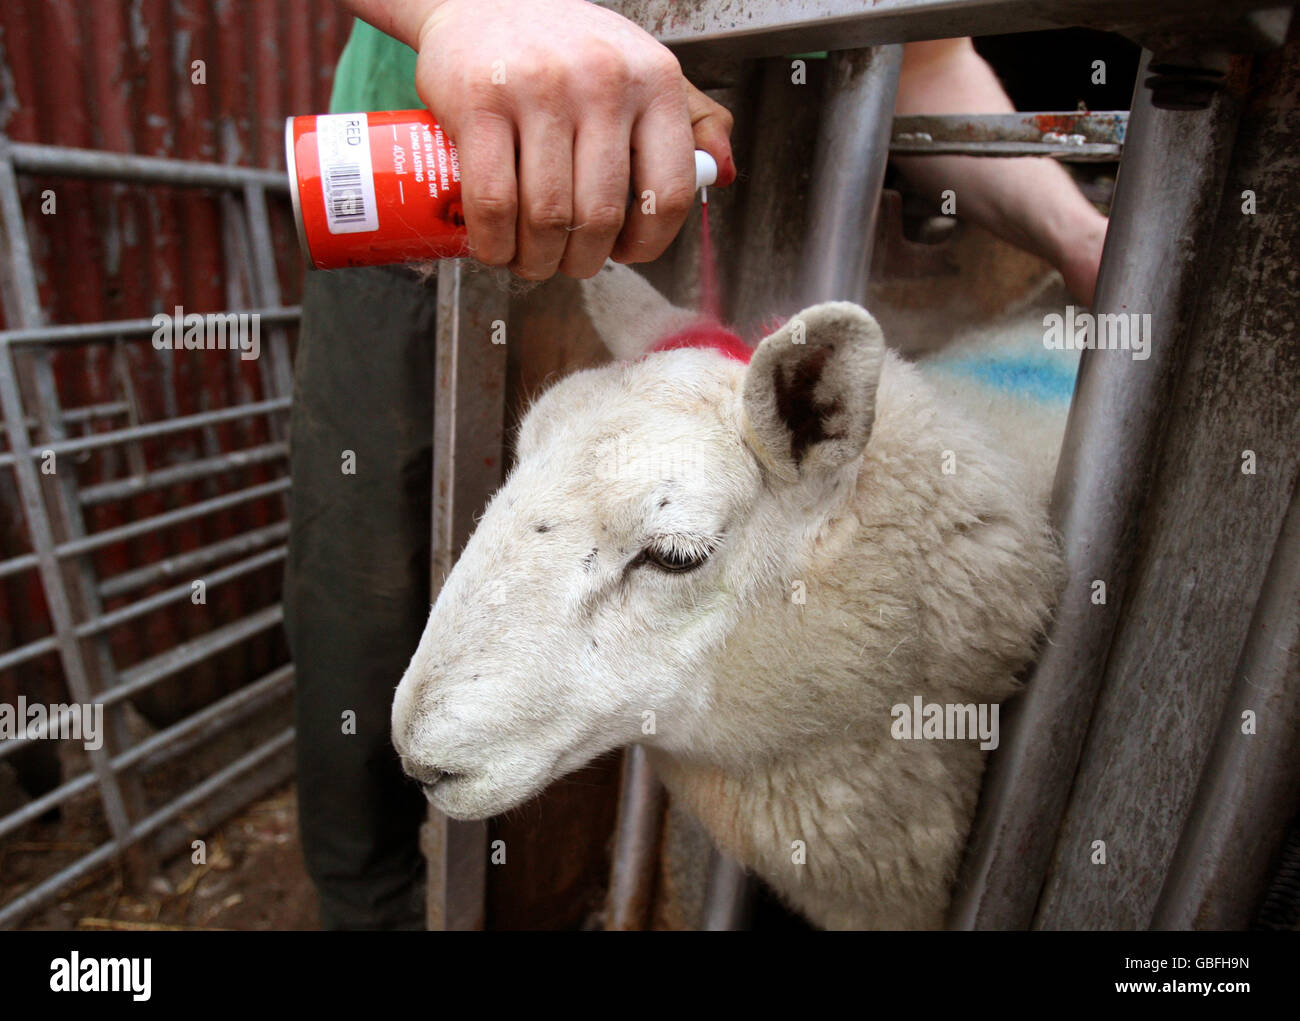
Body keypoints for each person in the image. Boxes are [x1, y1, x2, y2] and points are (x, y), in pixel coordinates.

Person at [285, 0, 1108, 929]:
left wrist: (1083, 236)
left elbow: (928, 60)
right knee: (359, 599)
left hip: (695, 209)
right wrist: (457, 13)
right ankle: (368, 911)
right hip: (421, 196)